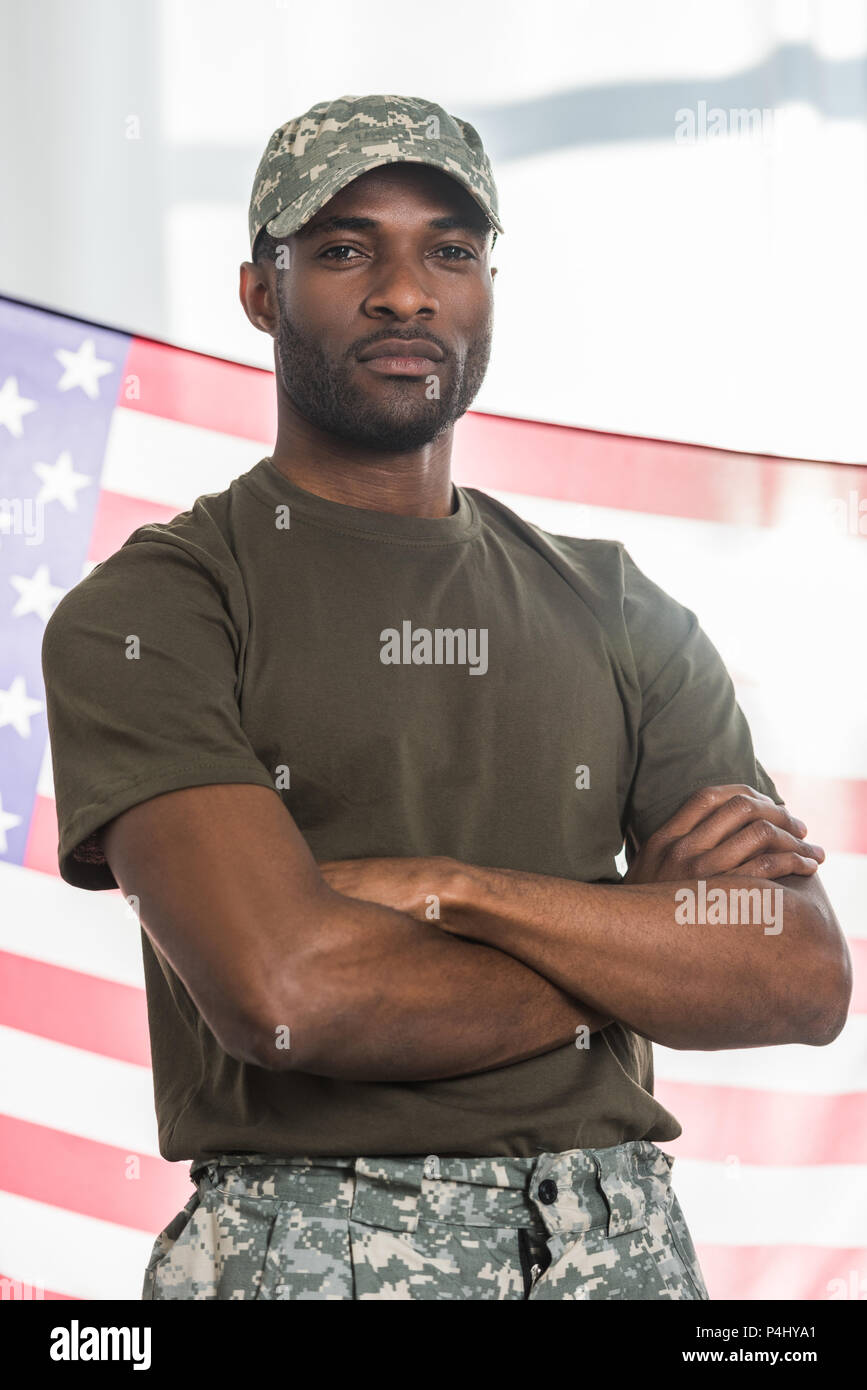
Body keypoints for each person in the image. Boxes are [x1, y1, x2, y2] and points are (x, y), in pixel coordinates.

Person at [41, 93, 851, 1301]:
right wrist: (647, 932)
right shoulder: (159, 611)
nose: (407, 292)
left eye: (453, 251)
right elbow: (292, 997)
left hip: (623, 1248)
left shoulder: (621, 606)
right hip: (317, 1250)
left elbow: (796, 975)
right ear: (262, 291)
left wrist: (448, 890)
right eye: (347, 247)